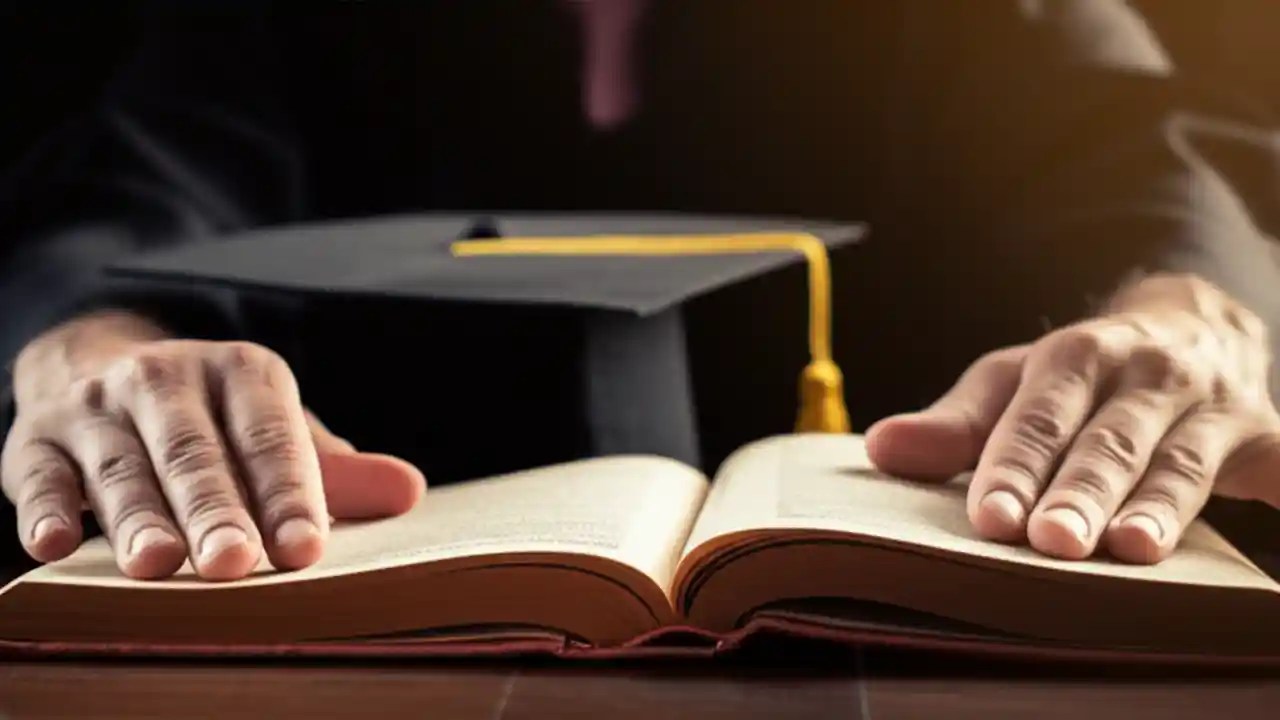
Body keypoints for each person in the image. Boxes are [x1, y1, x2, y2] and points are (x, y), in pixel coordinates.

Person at [2, 0, 1278, 582]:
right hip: (380, 596)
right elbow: (130, 187)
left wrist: (1190, 312)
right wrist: (84, 349)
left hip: (880, 616)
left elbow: (1133, 150)